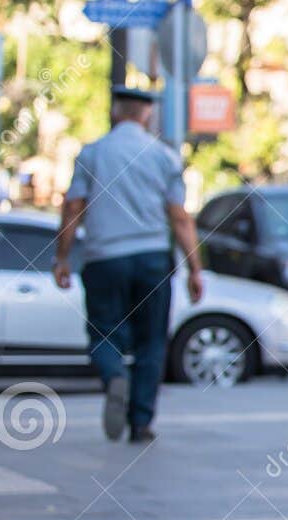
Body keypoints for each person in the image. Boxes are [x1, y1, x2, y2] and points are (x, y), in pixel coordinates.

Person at [52, 86, 203, 443]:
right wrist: (195, 268)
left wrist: (62, 258)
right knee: (152, 341)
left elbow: (73, 207)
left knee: (104, 332)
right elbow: (180, 217)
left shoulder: (92, 153)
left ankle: (114, 374)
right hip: (152, 258)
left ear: (115, 112)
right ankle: (141, 422)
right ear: (146, 115)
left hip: (104, 258)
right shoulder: (164, 156)